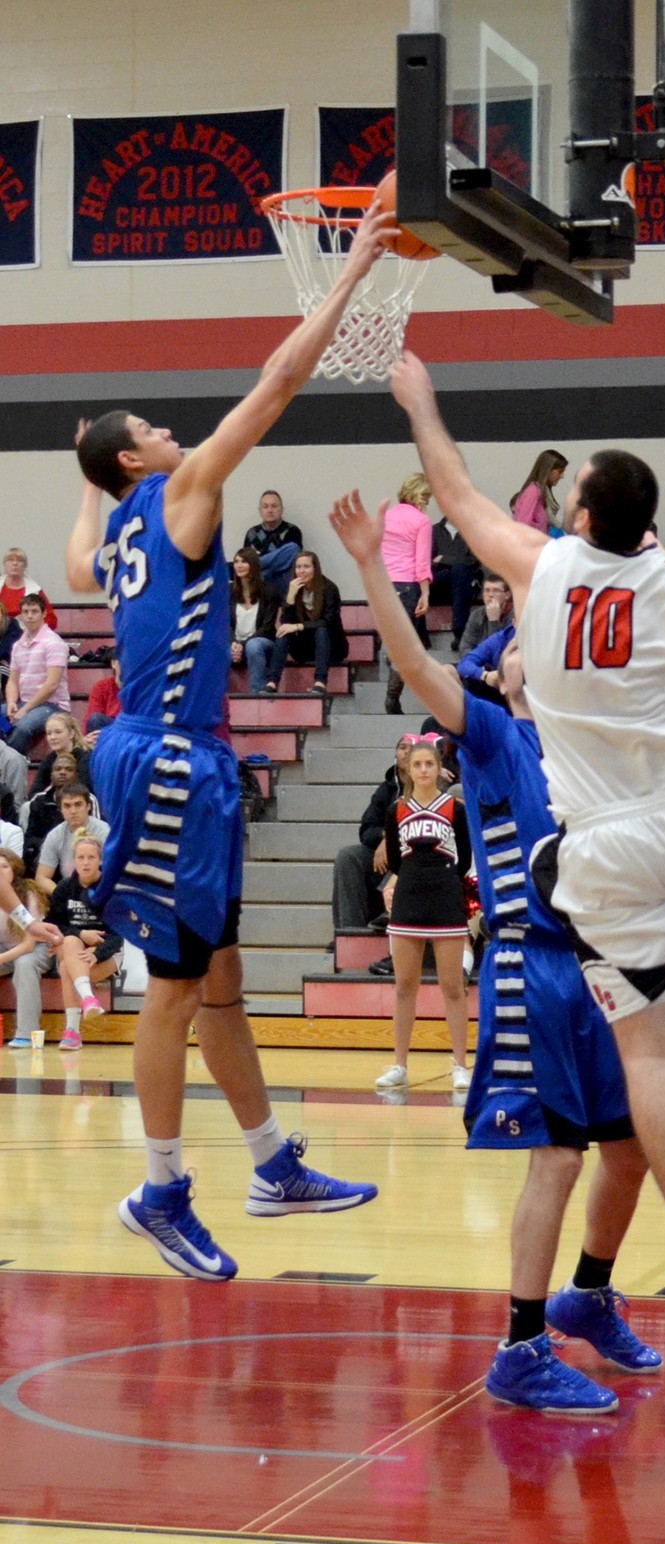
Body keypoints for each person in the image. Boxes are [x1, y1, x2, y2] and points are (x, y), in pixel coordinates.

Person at [389, 350, 665, 1352]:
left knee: (645, 1062)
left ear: (575, 517)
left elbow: (453, 488)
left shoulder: (539, 566)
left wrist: (419, 400)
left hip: (600, 859)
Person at [65, 195, 394, 1280]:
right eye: (150, 433)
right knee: (169, 985)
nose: (172, 432)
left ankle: (268, 1163)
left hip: (174, 752)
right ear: (136, 464)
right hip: (163, 753)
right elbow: (279, 380)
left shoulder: (114, 521)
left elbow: (75, 569)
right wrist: (346, 277)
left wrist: (88, 469)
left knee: (220, 979)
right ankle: (161, 1185)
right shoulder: (182, 492)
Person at [331, 490, 663, 1412]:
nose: (536, 640)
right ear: (500, 670)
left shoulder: (587, 736)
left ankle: (586, 1297)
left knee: (632, 1147)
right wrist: (369, 565)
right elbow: (411, 659)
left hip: (600, 965)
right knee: (555, 1158)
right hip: (533, 967)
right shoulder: (487, 732)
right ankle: (519, 1346)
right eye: (519, 639)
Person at [373, 737, 471, 1093]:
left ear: (439, 768)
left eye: (429, 764)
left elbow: (466, 860)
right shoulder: (396, 810)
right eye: (417, 765)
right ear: (409, 770)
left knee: (452, 987)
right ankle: (399, 1064)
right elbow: (396, 862)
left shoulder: (455, 808)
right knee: (404, 987)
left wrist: (442, 881)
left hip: (446, 900)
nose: (424, 770)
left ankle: (460, 1065)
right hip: (408, 902)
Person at [331, 735, 415, 943]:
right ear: (395, 755)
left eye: (411, 747)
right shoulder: (386, 788)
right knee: (348, 856)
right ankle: (349, 934)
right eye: (402, 747)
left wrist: (390, 840)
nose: (406, 751)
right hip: (385, 858)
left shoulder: (428, 782)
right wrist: (384, 838)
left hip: (414, 854)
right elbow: (366, 829)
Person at [48, 832, 124, 1052]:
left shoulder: (110, 889)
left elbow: (117, 936)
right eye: (81, 857)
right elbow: (55, 924)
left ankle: (72, 1031)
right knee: (71, 941)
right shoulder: (64, 888)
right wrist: (81, 935)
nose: (85, 862)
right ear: (74, 860)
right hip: (74, 947)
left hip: (107, 951)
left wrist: (96, 954)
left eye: (91, 857)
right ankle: (88, 998)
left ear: (100, 860)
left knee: (66, 969)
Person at [381, 472, 433, 713]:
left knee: (395, 641)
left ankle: (391, 671)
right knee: (405, 647)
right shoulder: (422, 521)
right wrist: (425, 593)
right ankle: (392, 697)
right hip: (406, 586)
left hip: (383, 586)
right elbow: (421, 563)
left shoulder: (385, 516)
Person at [265, 550, 348, 696]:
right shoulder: (293, 588)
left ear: (315, 568)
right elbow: (285, 622)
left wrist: (298, 626)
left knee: (321, 630)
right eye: (298, 567)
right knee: (284, 632)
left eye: (306, 567)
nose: (302, 571)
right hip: (305, 648)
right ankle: (272, 681)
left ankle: (320, 682)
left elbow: (329, 622)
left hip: (332, 646)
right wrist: (290, 597)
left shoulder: (329, 589)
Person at [0, 847, 59, 1049]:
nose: (1, 872)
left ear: (14, 869)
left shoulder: (28, 893)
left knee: (24, 964)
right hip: (5, 949)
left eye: (4, 867)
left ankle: (26, 1033)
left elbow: (28, 944)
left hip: (35, 948)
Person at [5, 593, 71, 755]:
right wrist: (12, 702)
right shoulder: (18, 646)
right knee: (4, 723)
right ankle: (9, 750)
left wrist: (24, 710)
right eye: (26, 611)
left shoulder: (54, 643)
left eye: (34, 611)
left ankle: (10, 768)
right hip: (25, 703)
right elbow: (13, 680)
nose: (29, 616)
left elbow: (51, 685)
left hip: (53, 706)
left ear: (43, 614)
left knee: (22, 727)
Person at [35, 781, 110, 899]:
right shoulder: (55, 835)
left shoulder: (104, 832)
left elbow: (111, 874)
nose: (73, 811)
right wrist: (64, 896)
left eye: (78, 804)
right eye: (67, 806)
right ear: (60, 809)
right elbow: (41, 878)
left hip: (100, 895)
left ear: (88, 806)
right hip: (68, 894)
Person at [229, 546, 280, 695]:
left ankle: (257, 694)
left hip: (262, 643)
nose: (239, 565)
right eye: (236, 561)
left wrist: (242, 645)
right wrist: (233, 643)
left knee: (253, 646)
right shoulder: (228, 591)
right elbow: (223, 623)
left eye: (244, 561)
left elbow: (267, 627)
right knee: (213, 648)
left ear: (254, 565)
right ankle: (215, 699)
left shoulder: (269, 591)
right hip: (235, 644)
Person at [429, 514, 481, 650]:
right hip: (439, 584)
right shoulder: (433, 531)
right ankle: (460, 632)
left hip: (463, 584)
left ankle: (460, 633)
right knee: (456, 570)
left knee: (460, 570)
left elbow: (474, 561)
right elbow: (426, 561)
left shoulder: (472, 532)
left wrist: (444, 559)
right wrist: (456, 561)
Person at [22, 756, 81, 875]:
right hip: (44, 854)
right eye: (58, 769)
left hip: (77, 853)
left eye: (68, 769)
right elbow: (30, 838)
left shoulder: (87, 799)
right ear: (51, 774)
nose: (62, 772)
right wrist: (50, 845)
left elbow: (92, 834)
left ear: (76, 775)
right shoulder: (38, 801)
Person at [242, 490, 303, 591]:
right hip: (257, 587)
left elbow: (292, 561)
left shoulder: (292, 530)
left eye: (274, 506)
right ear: (260, 510)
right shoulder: (252, 533)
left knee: (293, 548)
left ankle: (258, 564)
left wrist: (255, 563)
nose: (270, 510)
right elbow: (245, 564)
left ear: (282, 510)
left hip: (282, 584)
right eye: (265, 506)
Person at [30, 711, 92, 795]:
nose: (53, 737)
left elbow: (84, 789)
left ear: (71, 733)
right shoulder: (49, 759)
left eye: (58, 732)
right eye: (49, 733)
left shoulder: (85, 757)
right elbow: (34, 793)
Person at [457, 574, 514, 662]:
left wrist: (493, 622)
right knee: (447, 670)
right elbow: (465, 648)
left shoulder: (515, 616)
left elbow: (498, 654)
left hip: (504, 667)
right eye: (487, 590)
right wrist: (476, 664)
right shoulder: (476, 615)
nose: (490, 595)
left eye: (496, 591)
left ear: (507, 595)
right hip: (478, 665)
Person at [511, 450, 569, 536]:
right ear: (548, 470)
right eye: (560, 471)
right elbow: (522, 524)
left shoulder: (541, 492)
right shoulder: (533, 491)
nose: (562, 476)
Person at [0, 547, 58, 630]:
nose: (15, 563)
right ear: (4, 564)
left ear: (25, 566)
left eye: (19, 561)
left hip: (26, 636)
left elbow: (51, 621)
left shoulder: (35, 591)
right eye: (10, 560)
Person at [84, 653, 123, 737]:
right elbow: (92, 715)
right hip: (106, 730)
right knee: (95, 720)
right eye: (122, 660)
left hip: (129, 729)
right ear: (113, 664)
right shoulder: (101, 686)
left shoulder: (141, 686)